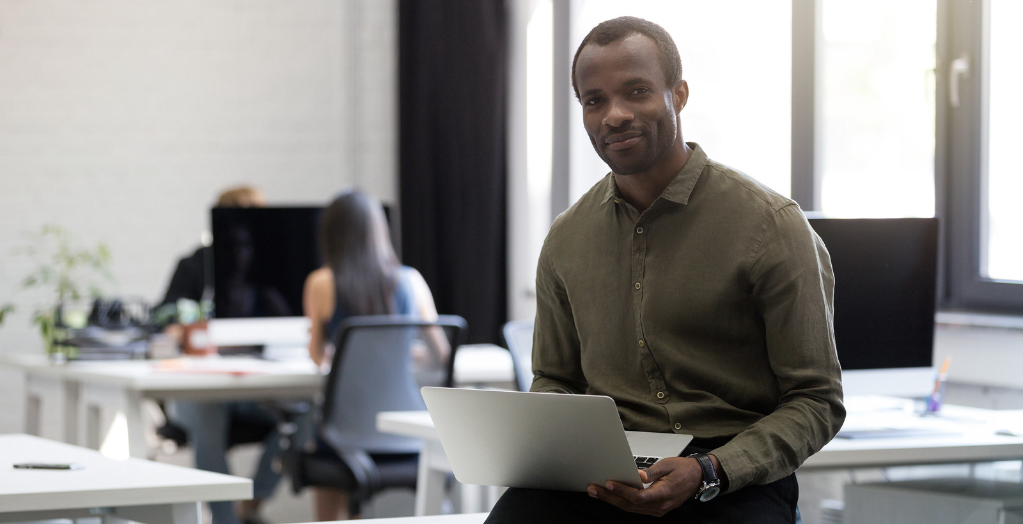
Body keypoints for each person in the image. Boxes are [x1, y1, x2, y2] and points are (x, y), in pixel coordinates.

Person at [485, 17, 845, 523]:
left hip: (728, 476)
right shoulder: (566, 238)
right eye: (594, 101)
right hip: (605, 472)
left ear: (678, 95)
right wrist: (556, 441)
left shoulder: (772, 227)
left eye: (636, 92)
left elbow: (817, 400)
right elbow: (554, 378)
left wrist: (710, 469)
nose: (615, 115)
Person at [302, 190, 446, 520]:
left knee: (320, 437)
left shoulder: (321, 283)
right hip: (409, 433)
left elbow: (316, 356)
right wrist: (400, 353)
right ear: (378, 231)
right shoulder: (412, 281)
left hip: (346, 435)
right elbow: (441, 355)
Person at [161, 185, 284, 524]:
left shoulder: (269, 283)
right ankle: (225, 520)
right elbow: (164, 320)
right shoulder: (194, 267)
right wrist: (187, 327)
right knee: (207, 412)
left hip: (254, 391)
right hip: (201, 390)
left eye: (247, 239)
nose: (240, 249)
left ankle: (253, 503)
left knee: (306, 415)